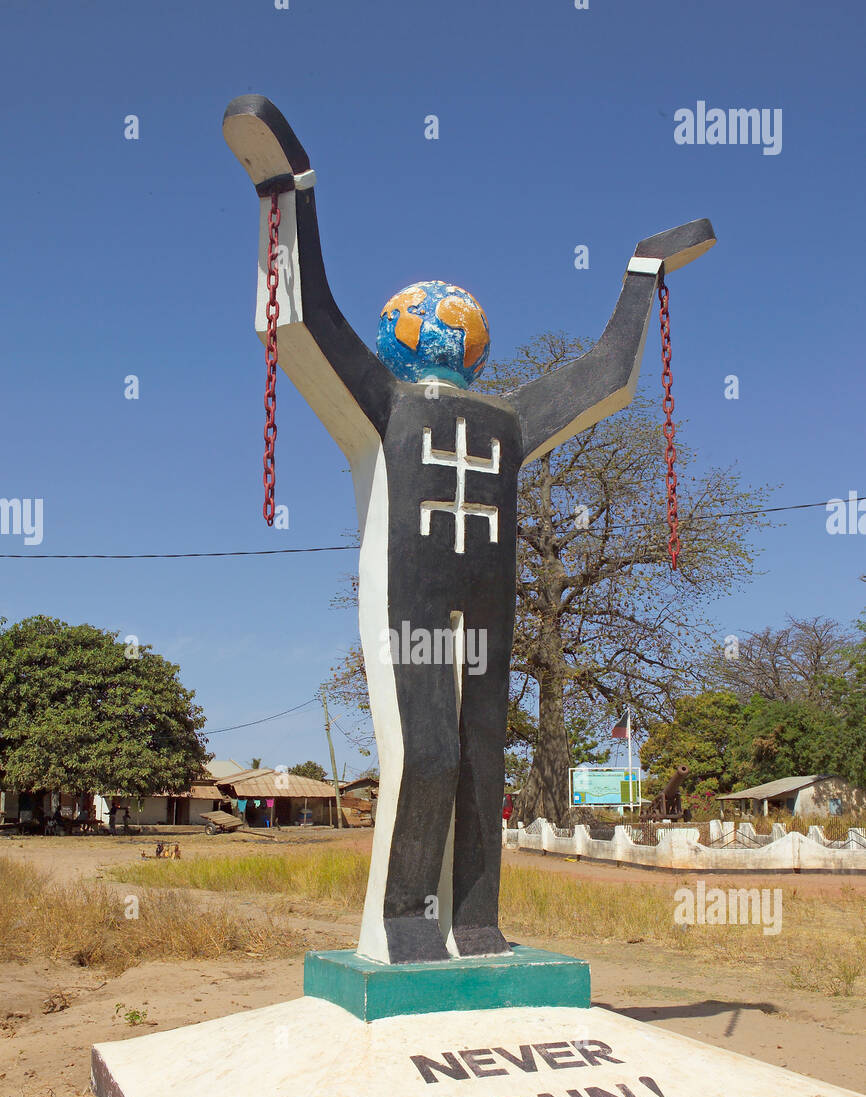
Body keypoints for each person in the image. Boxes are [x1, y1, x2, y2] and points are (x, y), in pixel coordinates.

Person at [224, 95, 714, 965]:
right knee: (430, 747)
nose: (447, 332)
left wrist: (644, 271)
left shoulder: (510, 419)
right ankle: (407, 916)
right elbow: (305, 317)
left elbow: (604, 373)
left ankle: (477, 920)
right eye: (434, 322)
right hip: (412, 594)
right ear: (408, 336)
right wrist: (285, 187)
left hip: (487, 597)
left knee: (483, 754)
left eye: (456, 324)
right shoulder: (384, 403)